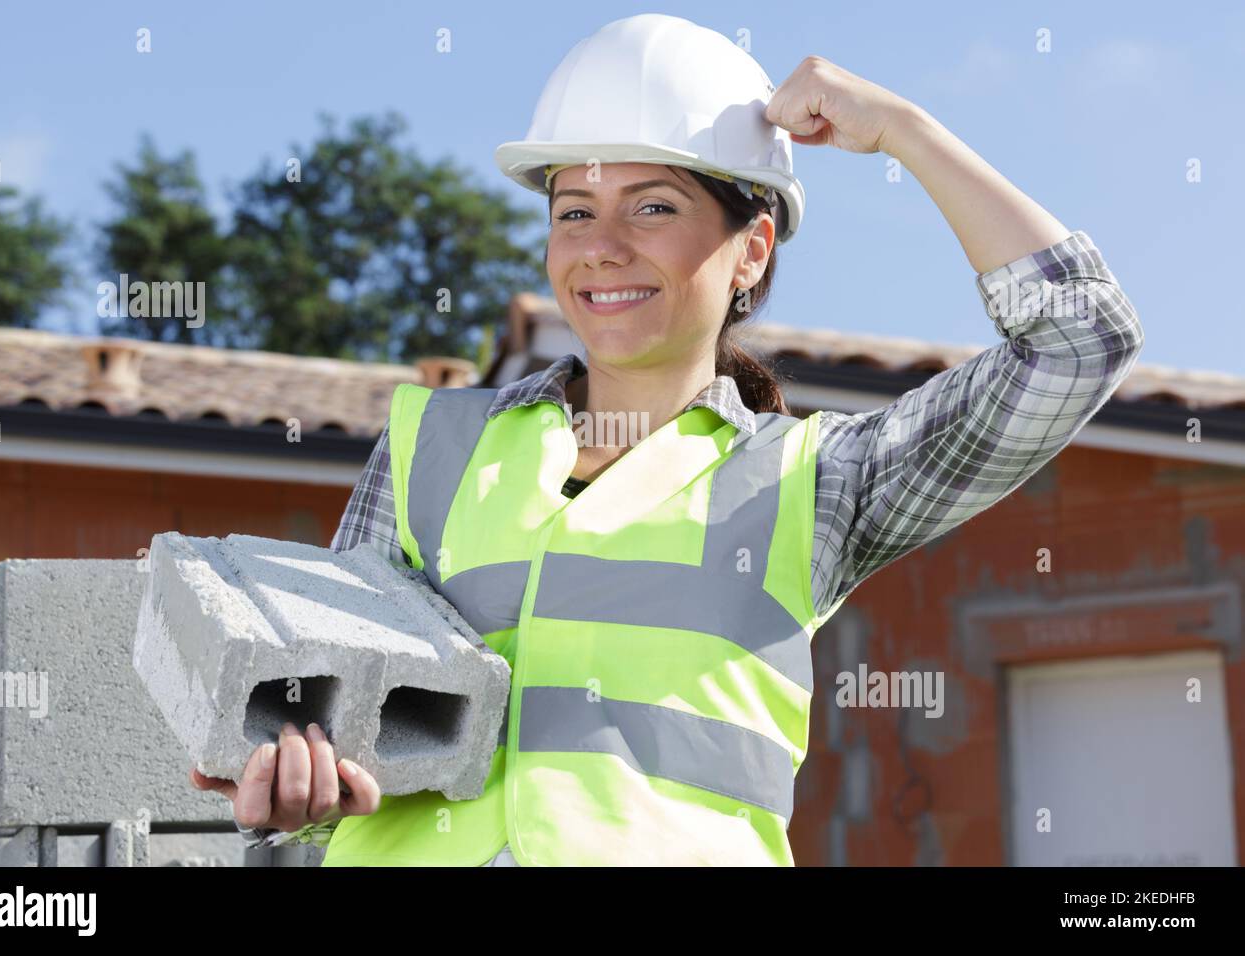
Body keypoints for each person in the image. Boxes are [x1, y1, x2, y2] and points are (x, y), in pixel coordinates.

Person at [193, 13, 1143, 866]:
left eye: (653, 206)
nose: (602, 246)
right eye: (574, 212)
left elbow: (1078, 340)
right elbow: (323, 741)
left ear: (753, 249)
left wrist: (904, 131)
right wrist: (294, 797)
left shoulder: (811, 482)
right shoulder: (428, 446)